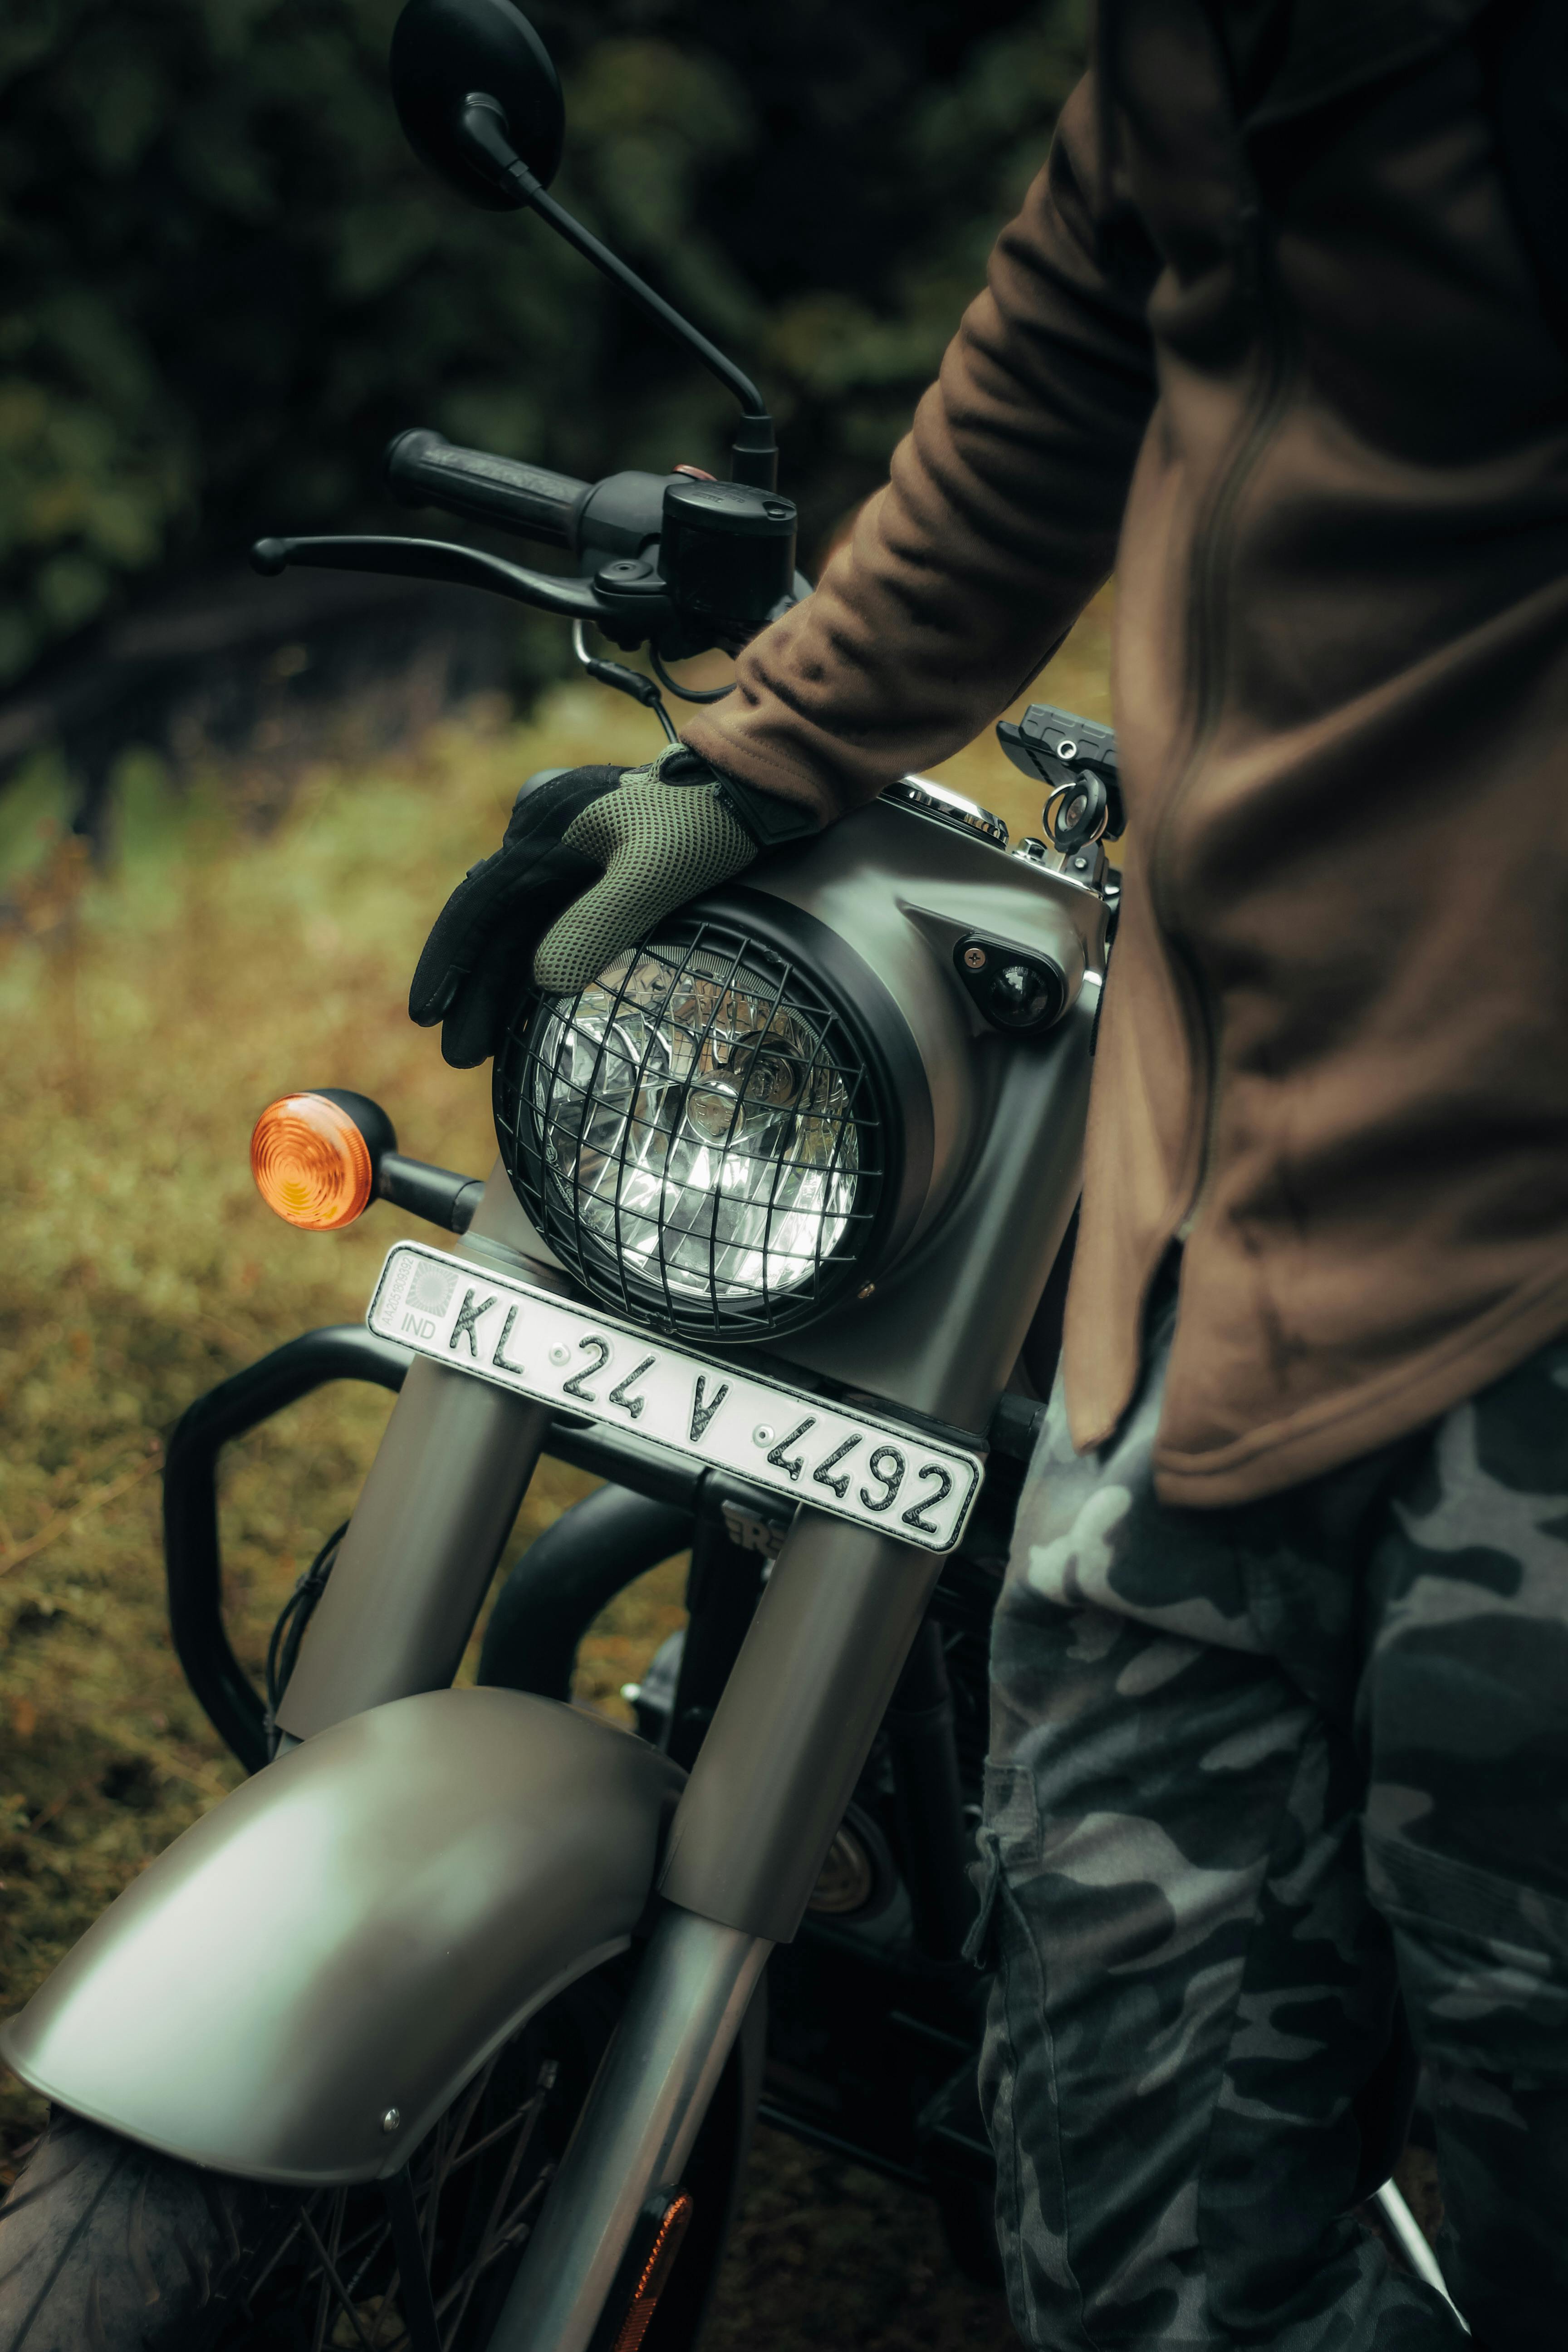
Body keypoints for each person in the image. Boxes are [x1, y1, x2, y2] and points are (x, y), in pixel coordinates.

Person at [409, 3, 1568, 2343]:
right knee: (1123, 2212)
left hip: (1531, 1313)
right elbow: (1059, 365)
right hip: (1204, 1261)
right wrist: (758, 759)